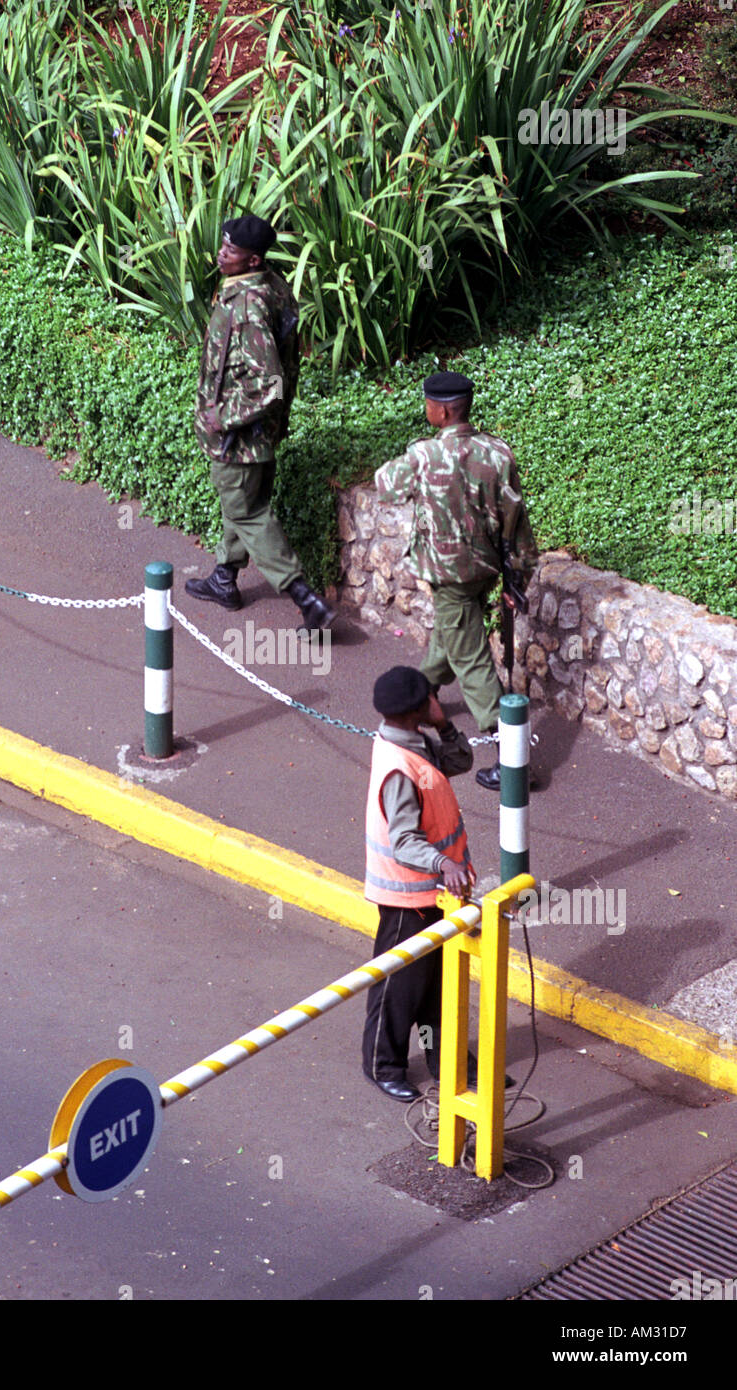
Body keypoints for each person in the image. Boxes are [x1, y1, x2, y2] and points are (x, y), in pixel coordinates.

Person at [374, 371, 538, 790]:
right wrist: (518, 572)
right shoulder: (497, 453)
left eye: (429, 403)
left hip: (449, 575)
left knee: (472, 662)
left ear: (443, 410)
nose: (427, 408)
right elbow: (515, 518)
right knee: (452, 637)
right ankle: (421, 692)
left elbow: (385, 485)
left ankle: (512, 756)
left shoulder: (424, 455)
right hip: (485, 570)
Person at [187, 214, 335, 631]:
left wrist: (223, 417)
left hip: (240, 436)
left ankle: (306, 600)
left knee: (248, 512)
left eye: (231, 251)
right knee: (243, 503)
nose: (221, 254)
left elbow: (269, 384)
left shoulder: (249, 307)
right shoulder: (268, 285)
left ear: (252, 260)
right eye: (223, 245)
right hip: (258, 436)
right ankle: (225, 578)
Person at [362, 665, 475, 1102]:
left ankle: (448, 1066)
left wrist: (445, 726)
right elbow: (405, 840)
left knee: (437, 988)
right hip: (406, 896)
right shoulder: (399, 768)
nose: (438, 701)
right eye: (432, 698)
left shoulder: (417, 741)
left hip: (436, 893)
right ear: (416, 708)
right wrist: (443, 863)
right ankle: (381, 1064)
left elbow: (461, 762)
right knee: (398, 988)